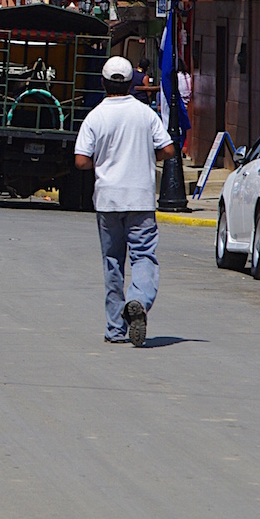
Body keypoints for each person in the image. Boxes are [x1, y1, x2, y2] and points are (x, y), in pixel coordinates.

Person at [74, 57, 175, 347]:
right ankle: (139, 300)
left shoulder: (95, 116)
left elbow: (81, 160)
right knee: (143, 255)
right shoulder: (145, 114)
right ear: (131, 83)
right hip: (141, 198)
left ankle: (116, 328)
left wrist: (103, 161)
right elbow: (167, 149)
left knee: (113, 262)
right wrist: (146, 156)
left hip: (108, 199)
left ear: (103, 83)